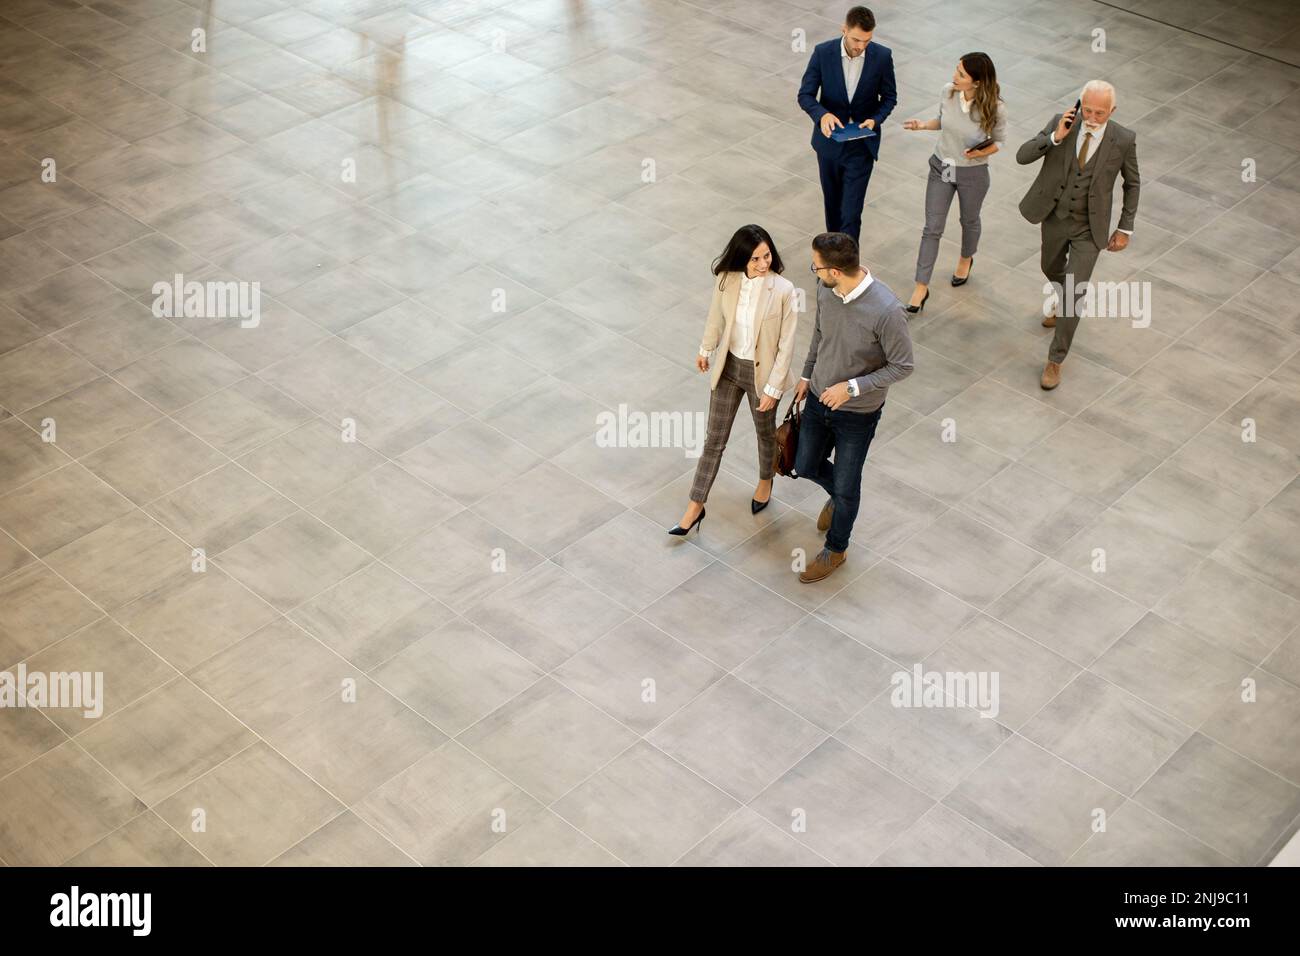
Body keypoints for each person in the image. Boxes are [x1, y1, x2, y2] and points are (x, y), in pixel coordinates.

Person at [792, 233, 913, 582]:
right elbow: (819, 333)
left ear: (834, 270)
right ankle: (837, 496)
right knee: (804, 464)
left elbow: (903, 366)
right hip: (817, 397)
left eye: (816, 266)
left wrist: (852, 388)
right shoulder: (825, 290)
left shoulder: (887, 311)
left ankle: (836, 548)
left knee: (848, 486)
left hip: (857, 414)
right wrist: (806, 375)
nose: (814, 272)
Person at [669, 225, 799, 536]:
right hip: (729, 368)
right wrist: (705, 349)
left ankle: (765, 480)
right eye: (755, 258)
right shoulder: (726, 280)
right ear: (742, 257)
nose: (763, 263)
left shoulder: (783, 290)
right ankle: (695, 507)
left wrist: (774, 387)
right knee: (714, 440)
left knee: (765, 435)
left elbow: (786, 344)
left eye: (766, 256)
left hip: (763, 376)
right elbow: (716, 317)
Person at [1016, 79, 1140, 390]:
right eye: (1088, 110)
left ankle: (1055, 360)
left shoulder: (1123, 139)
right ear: (1079, 104)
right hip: (1055, 217)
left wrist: (1125, 227)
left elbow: (1132, 183)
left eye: (1101, 113)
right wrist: (1056, 138)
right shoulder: (1062, 124)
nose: (1093, 118)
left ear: (1112, 110)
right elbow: (1022, 155)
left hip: (1090, 227)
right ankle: (1062, 298)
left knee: (1074, 293)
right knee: (1050, 268)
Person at [901, 53, 1006, 313]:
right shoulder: (948, 93)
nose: (954, 77)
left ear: (978, 82)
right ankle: (921, 286)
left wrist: (983, 152)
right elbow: (944, 121)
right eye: (956, 70)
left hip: (972, 173)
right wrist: (923, 125)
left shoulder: (995, 107)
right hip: (943, 168)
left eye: (961, 75)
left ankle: (966, 258)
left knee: (969, 220)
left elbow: (1000, 141)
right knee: (932, 227)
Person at [796, 5, 897, 244]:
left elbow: (889, 97)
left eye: (867, 40)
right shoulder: (823, 53)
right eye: (856, 39)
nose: (861, 46)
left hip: (861, 147)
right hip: (829, 144)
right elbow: (805, 95)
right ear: (844, 29)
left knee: (851, 213)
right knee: (832, 208)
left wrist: (876, 119)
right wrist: (822, 115)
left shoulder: (882, 57)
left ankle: (849, 271)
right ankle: (832, 263)